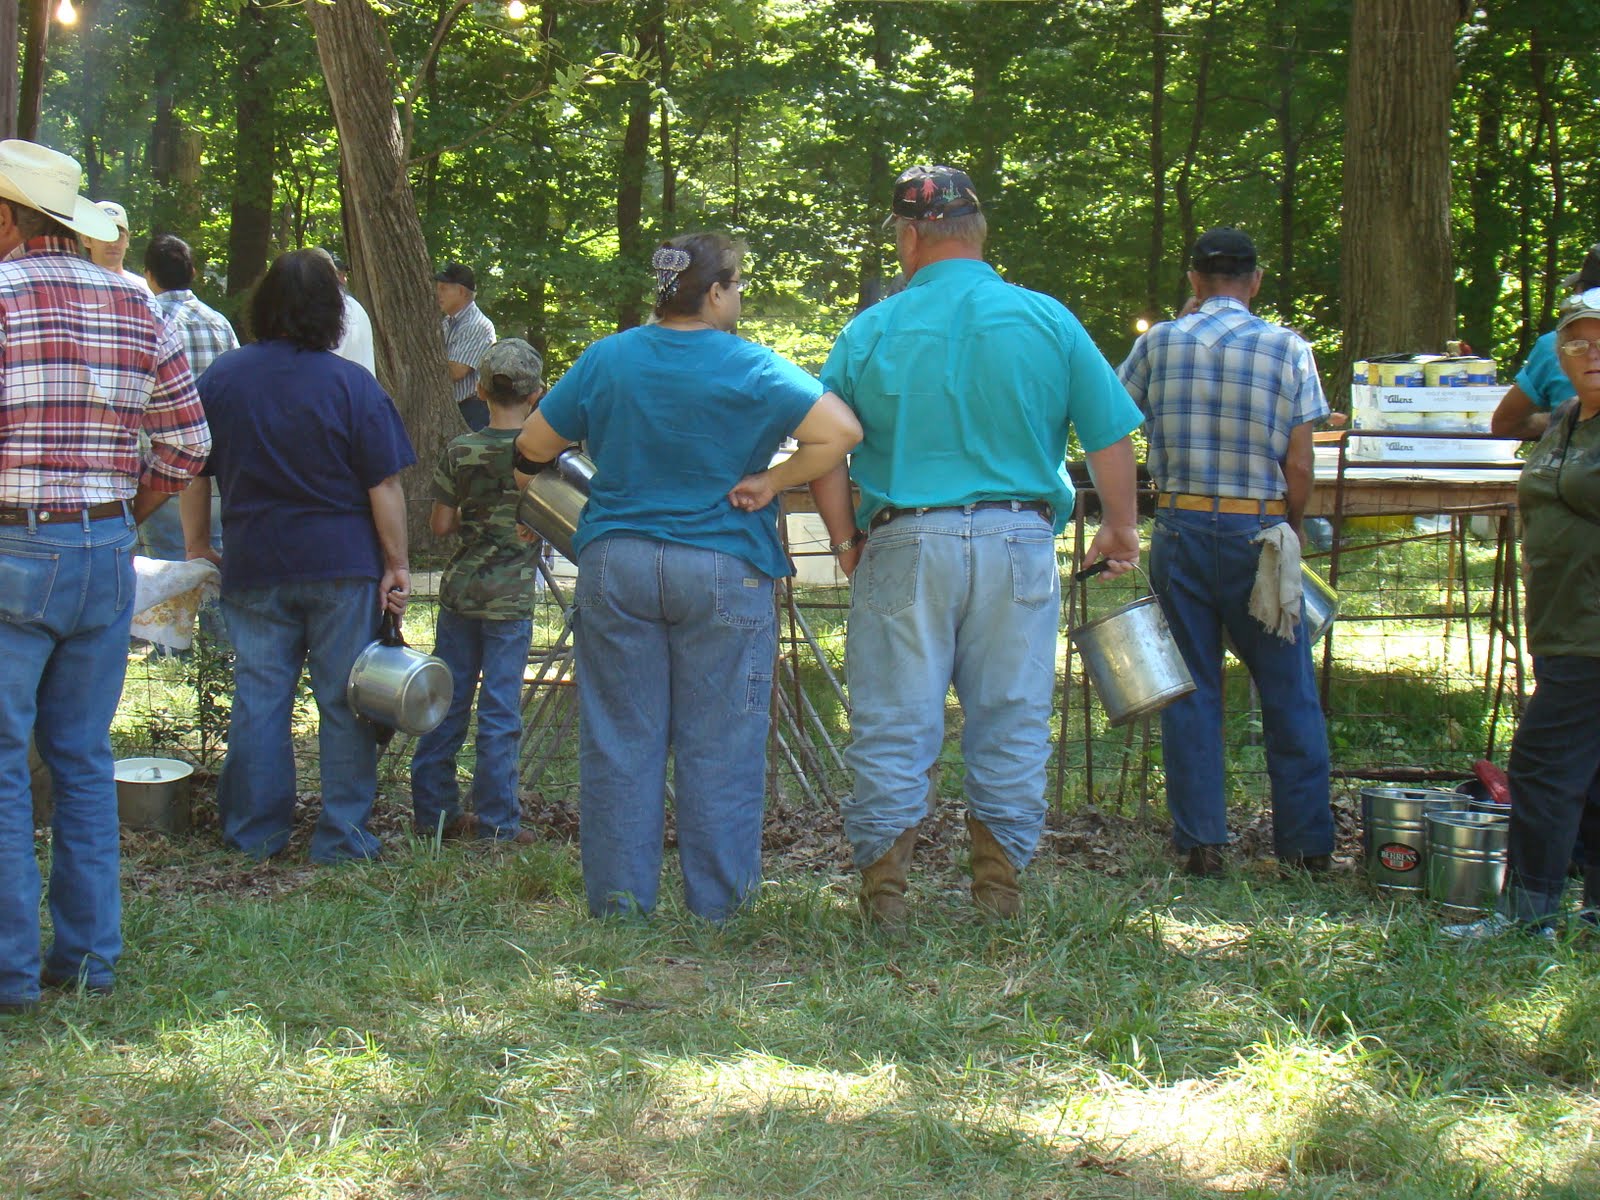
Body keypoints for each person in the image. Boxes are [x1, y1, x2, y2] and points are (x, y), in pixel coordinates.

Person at [815, 165, 1142, 924]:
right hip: (1019, 539)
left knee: (893, 719)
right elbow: (1108, 434)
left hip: (905, 539)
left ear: (907, 237)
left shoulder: (871, 329)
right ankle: (998, 896)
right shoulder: (1047, 320)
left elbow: (822, 444)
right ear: (980, 233)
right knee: (1013, 712)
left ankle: (886, 902)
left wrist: (844, 538)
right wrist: (1119, 525)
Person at [514, 232, 861, 921]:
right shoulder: (754, 367)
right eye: (736, 285)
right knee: (723, 744)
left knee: (620, 741)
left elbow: (532, 446)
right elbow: (840, 432)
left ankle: (619, 908)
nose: (738, 296)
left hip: (618, 564)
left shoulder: (608, 358)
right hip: (723, 568)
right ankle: (720, 911)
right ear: (714, 292)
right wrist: (770, 481)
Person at [0, 140, 209, 1015]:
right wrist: (126, 504)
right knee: (83, 760)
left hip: (13, 549)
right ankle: (88, 960)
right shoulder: (134, 299)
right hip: (103, 553)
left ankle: (10, 972)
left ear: (7, 218)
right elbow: (188, 443)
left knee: (6, 766)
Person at [182, 249, 416, 865]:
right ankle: (343, 837)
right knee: (345, 701)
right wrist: (397, 563)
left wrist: (195, 544)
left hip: (255, 563)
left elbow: (189, 468)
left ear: (263, 307)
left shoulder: (224, 378)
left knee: (261, 700)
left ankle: (254, 834)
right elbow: (384, 485)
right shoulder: (351, 385)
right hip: (342, 565)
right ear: (332, 314)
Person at [1118, 227, 1333, 879]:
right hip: (1259, 533)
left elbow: (1111, 417)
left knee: (1190, 686)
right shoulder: (1288, 350)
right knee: (1288, 687)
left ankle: (1202, 842)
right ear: (1256, 281)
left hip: (1181, 529)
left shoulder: (1156, 344)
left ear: (1193, 280)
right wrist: (1290, 526)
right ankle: (1305, 846)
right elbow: (1300, 460)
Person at [1446, 288, 1600, 939]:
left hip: (1593, 630)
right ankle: (1592, 911)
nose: (1590, 352)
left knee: (1540, 766)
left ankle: (1529, 913)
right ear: (1557, 356)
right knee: (1590, 777)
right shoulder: (1566, 420)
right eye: (1576, 341)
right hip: (1561, 622)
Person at [410, 339, 546, 846]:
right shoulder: (540, 457)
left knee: (444, 701)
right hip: (509, 602)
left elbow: (440, 525)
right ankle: (496, 823)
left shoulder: (460, 450)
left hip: (460, 595)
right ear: (536, 394)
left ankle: (433, 814)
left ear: (482, 390)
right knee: (499, 711)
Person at [139, 233, 239, 561]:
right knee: (214, 565)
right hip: (216, 467)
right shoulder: (220, 324)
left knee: (165, 577)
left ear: (148, 275)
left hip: (162, 465)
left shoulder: (146, 322)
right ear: (193, 272)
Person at [1491, 244, 1600, 440]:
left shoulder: (1553, 344)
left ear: (1580, 292)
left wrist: (1570, 421)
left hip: (1572, 463)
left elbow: (1506, 424)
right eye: (1579, 346)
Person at [436, 262, 496, 430]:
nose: (438, 293)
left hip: (472, 410)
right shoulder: (448, 322)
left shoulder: (477, 325)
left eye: (443, 288)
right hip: (454, 408)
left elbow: (457, 371)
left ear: (461, 291)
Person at [320, 249, 376, 375]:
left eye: (342, 274)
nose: (342, 279)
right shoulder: (351, 306)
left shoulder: (342, 308)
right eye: (337, 274)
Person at [82, 200, 150, 292]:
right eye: (104, 235)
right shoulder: (77, 286)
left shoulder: (143, 289)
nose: (112, 243)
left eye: (119, 236)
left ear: (127, 240)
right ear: (86, 239)